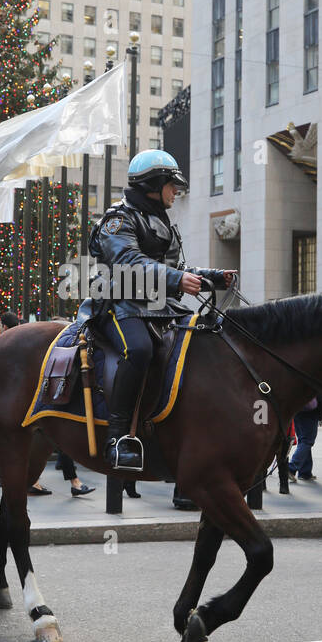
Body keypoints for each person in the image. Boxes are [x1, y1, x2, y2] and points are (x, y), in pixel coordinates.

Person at [86, 149, 234, 471]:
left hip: (160, 306)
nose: (176, 191)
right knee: (138, 350)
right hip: (119, 303)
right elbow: (128, 262)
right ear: (154, 184)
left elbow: (173, 267)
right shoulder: (118, 220)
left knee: (206, 340)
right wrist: (177, 278)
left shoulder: (162, 221)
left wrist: (211, 278)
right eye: (172, 184)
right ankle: (118, 437)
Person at [288, 389, 322, 482]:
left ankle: (305, 472)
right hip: (309, 411)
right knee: (307, 441)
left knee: (303, 440)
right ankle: (292, 467)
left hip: (297, 410)